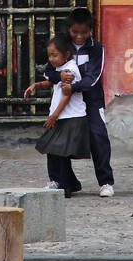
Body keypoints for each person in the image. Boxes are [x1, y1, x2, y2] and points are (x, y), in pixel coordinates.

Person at [40, 7, 115, 197]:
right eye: (75, 32)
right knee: (57, 139)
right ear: (69, 29)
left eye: (84, 32)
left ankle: (105, 182)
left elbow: (94, 77)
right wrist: (59, 76)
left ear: (91, 30)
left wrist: (73, 87)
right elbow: (48, 71)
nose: (79, 36)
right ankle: (60, 180)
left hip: (91, 100)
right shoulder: (62, 45)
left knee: (98, 137)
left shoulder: (97, 48)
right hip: (67, 103)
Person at [25, 31, 90, 197]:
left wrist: (54, 115)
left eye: (55, 55)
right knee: (53, 149)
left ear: (66, 54)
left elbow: (67, 96)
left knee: (59, 150)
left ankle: (64, 185)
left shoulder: (70, 70)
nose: (51, 59)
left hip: (70, 116)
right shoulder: (60, 69)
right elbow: (52, 81)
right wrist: (36, 85)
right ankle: (63, 182)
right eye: (49, 56)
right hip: (61, 116)